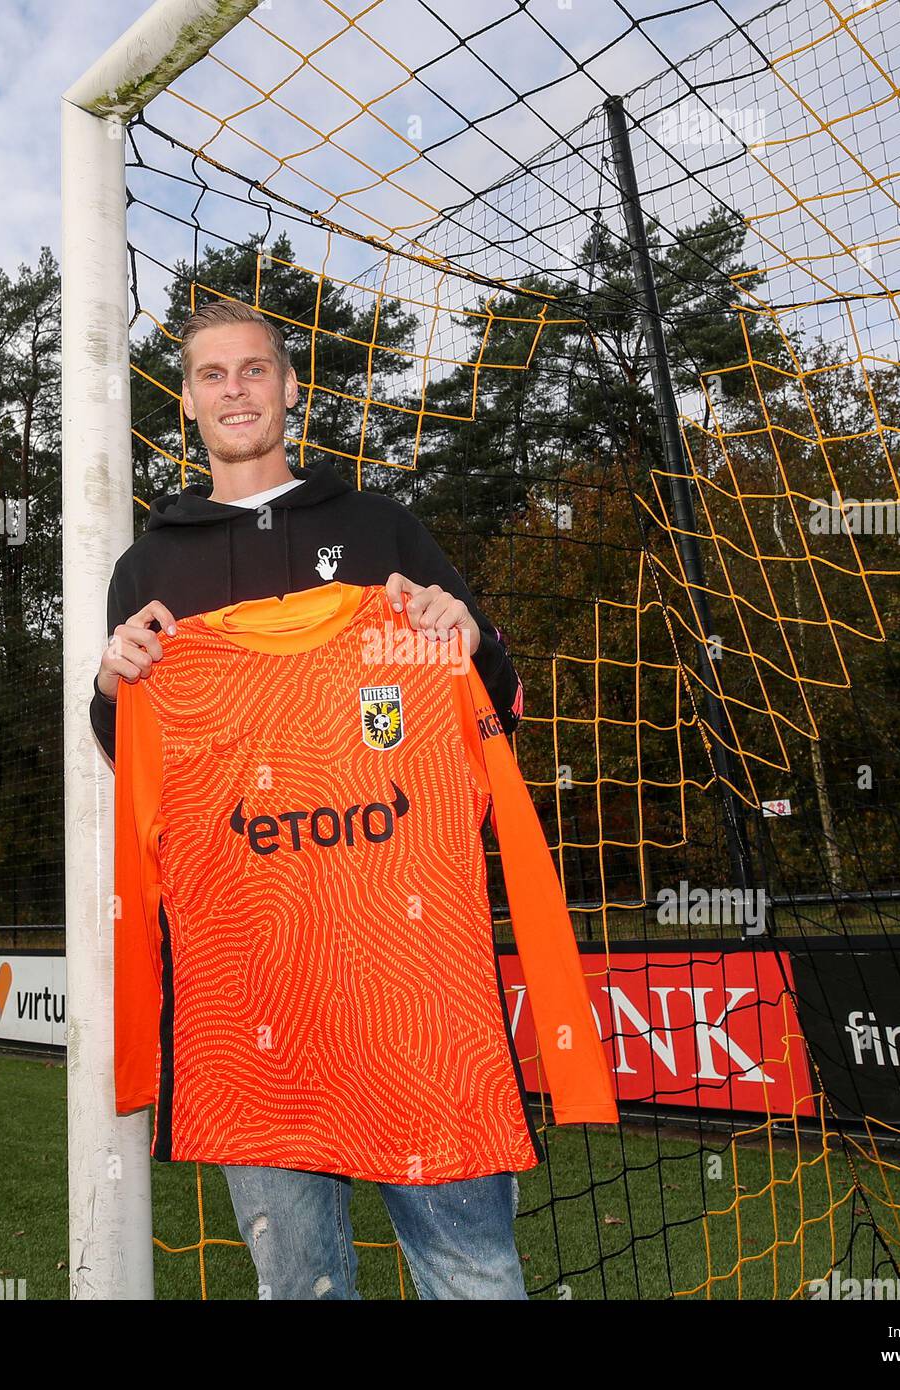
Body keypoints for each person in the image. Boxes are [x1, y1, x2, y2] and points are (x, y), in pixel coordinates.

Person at [91, 300, 529, 1299]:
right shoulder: (150, 566)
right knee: (300, 1288)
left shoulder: (382, 528)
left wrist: (469, 636)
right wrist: (117, 680)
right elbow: (138, 765)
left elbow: (496, 706)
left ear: (291, 388)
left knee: (472, 1272)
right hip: (252, 992)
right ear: (189, 403)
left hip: (413, 989)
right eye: (212, 375)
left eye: (255, 370)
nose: (235, 389)